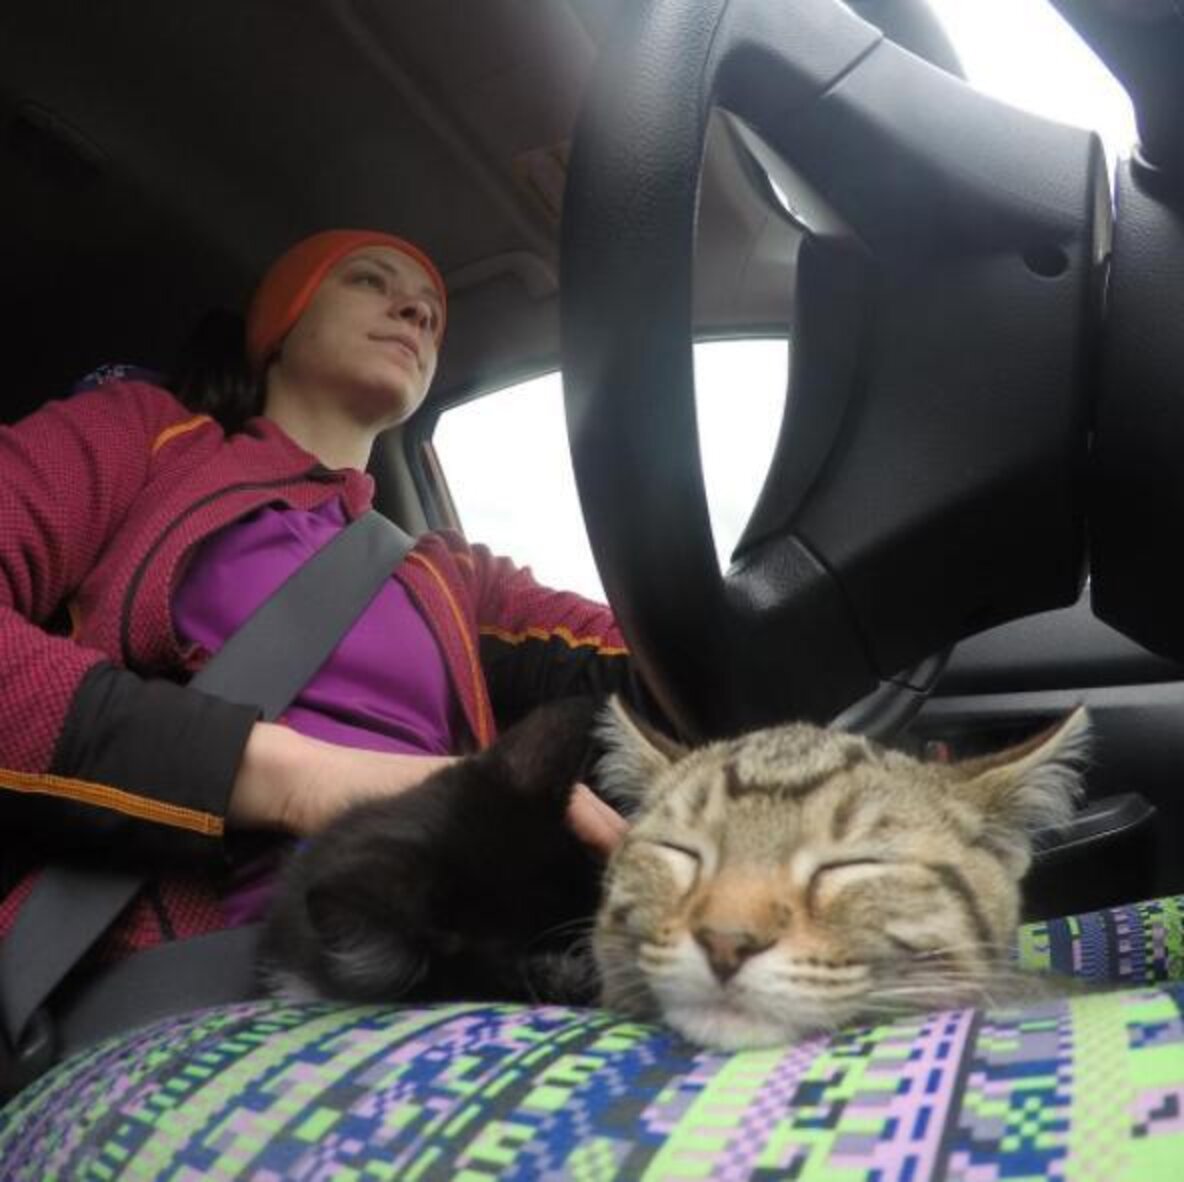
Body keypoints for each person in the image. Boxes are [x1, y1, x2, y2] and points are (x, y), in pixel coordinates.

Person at [0, 229, 644, 963]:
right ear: (280, 325)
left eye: (431, 314)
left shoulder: (456, 575)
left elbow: (662, 656)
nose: (414, 313)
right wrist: (301, 778)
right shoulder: (147, 437)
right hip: (188, 978)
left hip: (464, 965)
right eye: (371, 281)